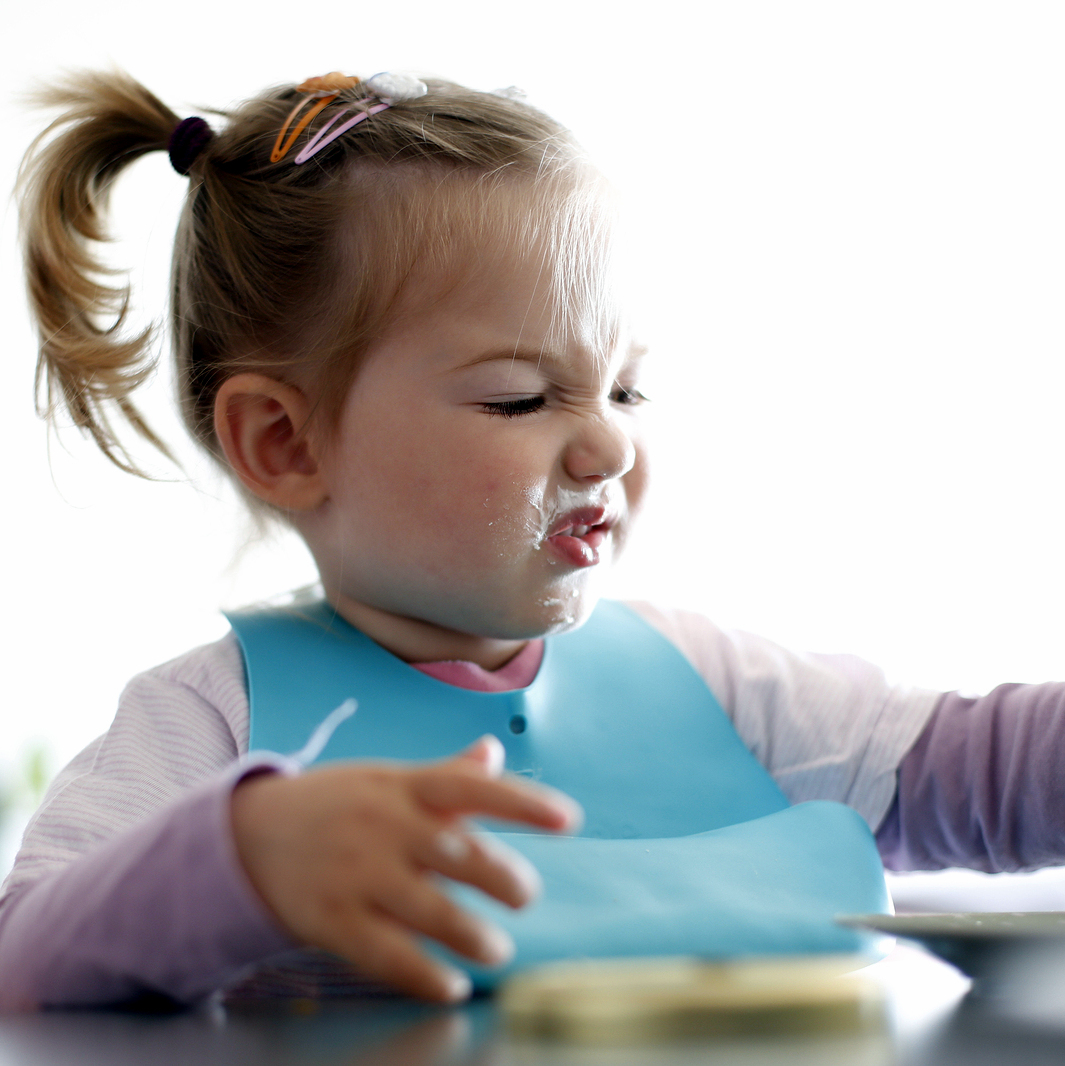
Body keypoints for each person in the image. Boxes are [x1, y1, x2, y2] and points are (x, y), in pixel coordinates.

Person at [3, 68, 1064, 1012]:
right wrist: (246, 859)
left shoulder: (715, 682)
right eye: (519, 398)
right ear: (284, 441)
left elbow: (975, 777)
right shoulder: (210, 722)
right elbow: (23, 954)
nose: (608, 439)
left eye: (628, 386)